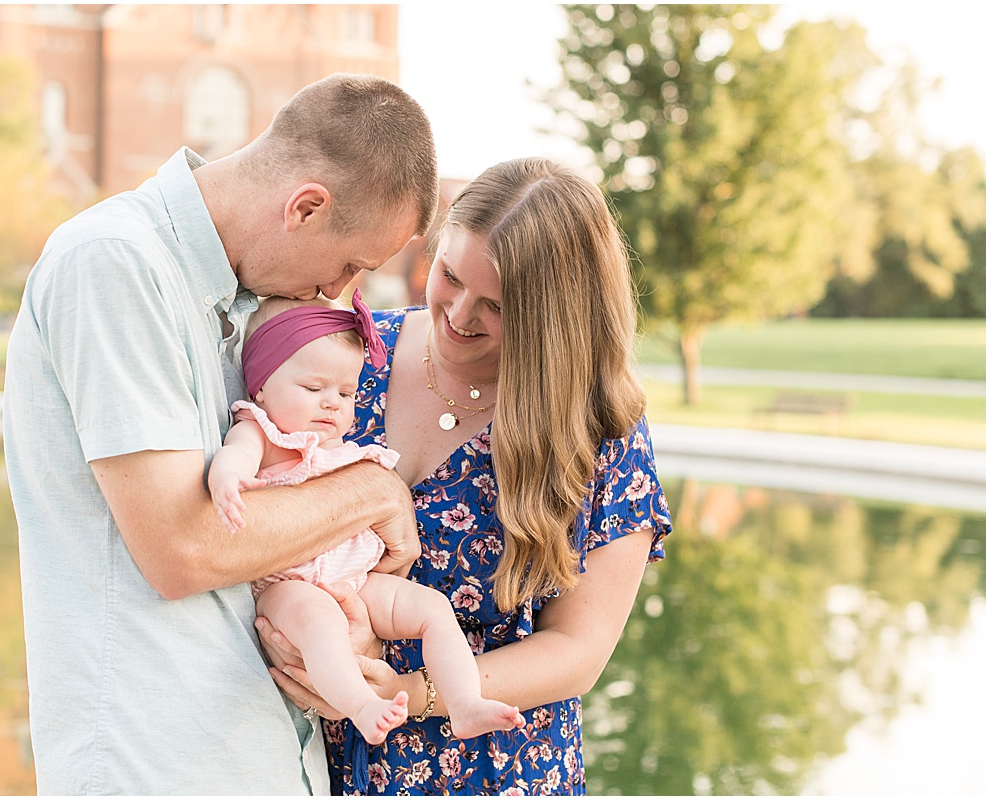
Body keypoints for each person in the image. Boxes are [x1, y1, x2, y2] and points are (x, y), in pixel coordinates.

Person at [2, 74, 439, 794]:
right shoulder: (115, 264)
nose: (340, 294)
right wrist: (372, 488)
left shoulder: (244, 306)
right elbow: (183, 546)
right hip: (154, 767)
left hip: (254, 761)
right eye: (352, 266)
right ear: (305, 207)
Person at [258, 157, 674, 795]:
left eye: (497, 307)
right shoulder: (346, 358)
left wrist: (412, 692)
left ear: (551, 321)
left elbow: (578, 653)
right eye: (449, 275)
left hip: (492, 771)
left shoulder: (597, 427)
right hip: (315, 765)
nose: (458, 313)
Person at [208, 290, 527, 747]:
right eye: (314, 389)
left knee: (432, 609)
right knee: (321, 624)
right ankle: (361, 705)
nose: (332, 404)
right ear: (260, 384)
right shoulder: (262, 430)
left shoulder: (341, 444)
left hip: (354, 578)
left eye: (345, 392)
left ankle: (464, 702)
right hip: (288, 583)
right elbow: (236, 456)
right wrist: (227, 480)